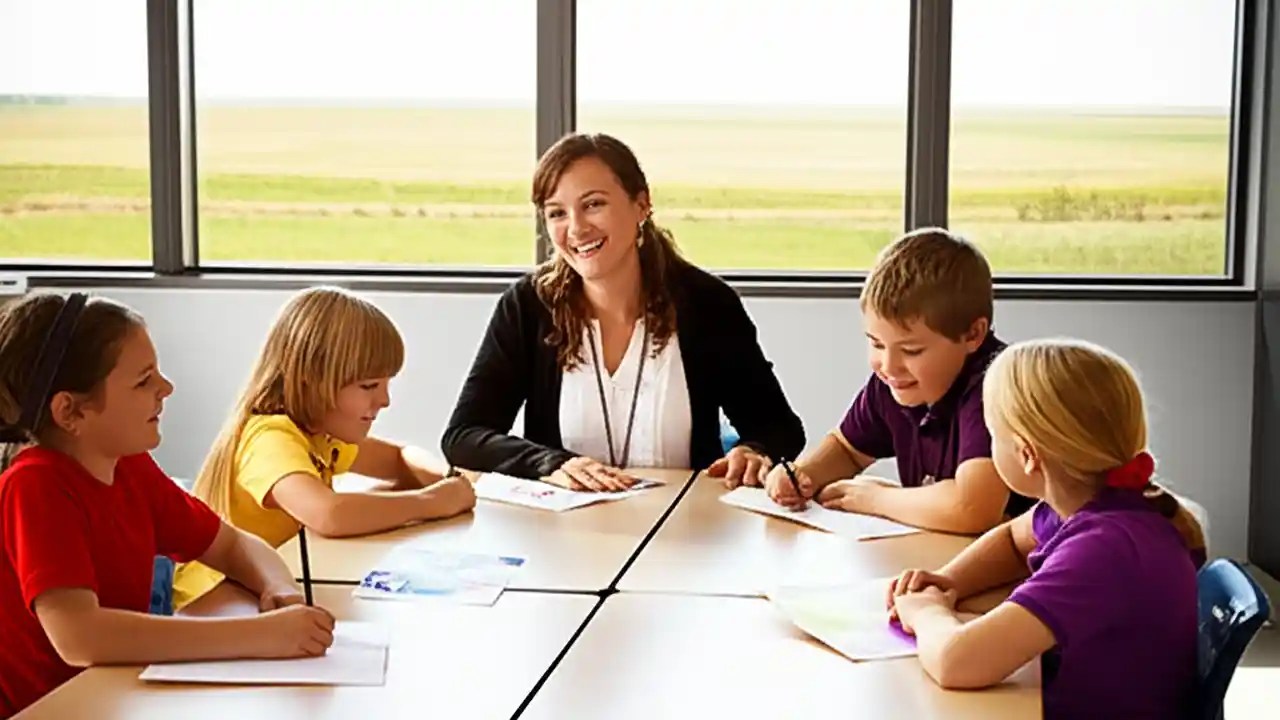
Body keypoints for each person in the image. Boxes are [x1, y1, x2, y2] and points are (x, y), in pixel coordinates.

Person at [0, 292, 334, 718]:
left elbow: (232, 545)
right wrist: (258, 635)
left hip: (115, 698)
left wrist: (280, 592)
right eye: (143, 381)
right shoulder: (35, 486)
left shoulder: (132, 469)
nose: (167, 388)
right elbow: (81, 637)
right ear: (70, 411)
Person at [442, 132, 805, 490]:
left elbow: (780, 429)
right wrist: (550, 463)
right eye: (557, 213)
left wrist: (755, 450)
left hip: (683, 528)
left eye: (593, 204)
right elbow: (463, 436)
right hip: (560, 533)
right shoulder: (528, 306)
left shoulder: (708, 304)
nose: (577, 228)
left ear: (641, 205)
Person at [889, 339, 1206, 718]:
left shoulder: (1105, 549)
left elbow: (958, 662)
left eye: (993, 436)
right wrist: (950, 581)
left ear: (1026, 455)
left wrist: (925, 612)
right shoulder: (1092, 500)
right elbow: (1012, 541)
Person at [174, 286, 475, 608]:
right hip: (218, 601)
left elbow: (398, 458)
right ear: (310, 379)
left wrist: (448, 479)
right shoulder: (269, 438)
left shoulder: (319, 433)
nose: (385, 400)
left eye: (387, 383)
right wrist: (431, 502)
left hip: (271, 586)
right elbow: (328, 515)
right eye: (369, 386)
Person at [763, 228, 1034, 533]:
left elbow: (972, 508)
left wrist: (876, 499)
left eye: (911, 350)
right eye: (876, 344)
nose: (888, 366)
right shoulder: (895, 381)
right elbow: (848, 448)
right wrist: (800, 475)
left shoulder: (997, 386)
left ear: (973, 335)